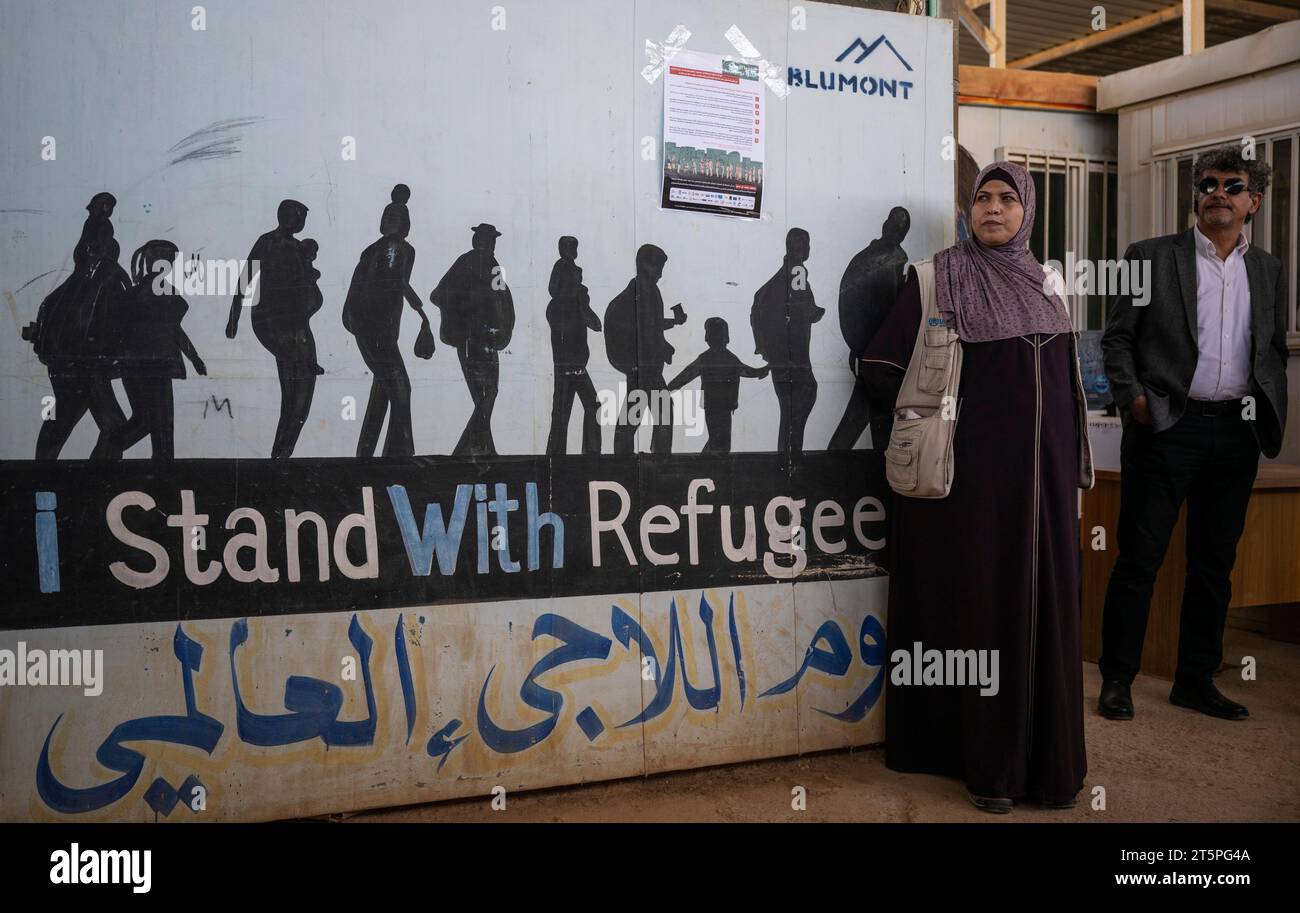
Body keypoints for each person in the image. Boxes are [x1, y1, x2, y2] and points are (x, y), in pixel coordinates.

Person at [857, 161, 1093, 813]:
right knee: (982, 608)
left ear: (1028, 212)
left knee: (1042, 611)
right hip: (965, 493)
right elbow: (879, 367)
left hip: (1042, 492)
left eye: (1007, 198)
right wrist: (939, 424)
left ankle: (1044, 768)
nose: (993, 208)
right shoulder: (937, 280)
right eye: (982, 198)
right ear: (967, 211)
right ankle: (986, 768)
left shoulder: (1049, 284)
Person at [1098, 145, 1288, 723]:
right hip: (1164, 429)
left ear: (1254, 201)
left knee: (1214, 566)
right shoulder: (1152, 256)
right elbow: (1117, 339)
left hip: (1236, 432)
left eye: (1232, 186)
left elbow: (1271, 348)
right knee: (1140, 559)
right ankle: (1118, 680)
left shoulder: (1269, 269)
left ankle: (1194, 680)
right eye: (1208, 184)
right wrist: (1133, 398)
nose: (1217, 194)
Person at [31, 216, 131, 460]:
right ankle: (97, 477)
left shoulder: (70, 285)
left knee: (63, 419)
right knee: (114, 426)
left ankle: (43, 473)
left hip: (65, 363)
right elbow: (117, 318)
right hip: (88, 364)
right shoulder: (107, 278)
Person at [226, 199, 317, 459]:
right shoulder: (268, 241)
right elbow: (247, 276)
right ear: (290, 216)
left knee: (300, 401)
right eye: (299, 217)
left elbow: (309, 291)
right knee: (293, 396)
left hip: (297, 325)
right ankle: (279, 457)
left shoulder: (299, 248)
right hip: (275, 321)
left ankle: (281, 455)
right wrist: (234, 316)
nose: (300, 223)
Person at [344, 185, 430, 457]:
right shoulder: (398, 247)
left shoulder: (373, 249)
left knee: (383, 388)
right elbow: (396, 279)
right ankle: (398, 453)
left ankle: (366, 455)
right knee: (401, 387)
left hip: (371, 324)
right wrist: (420, 309)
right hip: (377, 326)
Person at [110, 240, 207, 459]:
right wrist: (194, 358)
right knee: (159, 426)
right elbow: (174, 329)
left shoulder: (143, 292)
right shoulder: (159, 292)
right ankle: (110, 449)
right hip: (155, 366)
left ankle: (111, 450)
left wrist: (194, 358)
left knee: (153, 424)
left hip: (138, 366)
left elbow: (173, 329)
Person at [829, 207, 910, 450]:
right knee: (864, 418)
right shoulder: (870, 261)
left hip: (882, 355)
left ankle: (835, 463)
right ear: (885, 226)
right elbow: (853, 304)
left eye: (901, 229)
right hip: (873, 354)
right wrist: (859, 346)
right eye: (895, 227)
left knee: (870, 419)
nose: (896, 233)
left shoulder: (893, 258)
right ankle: (829, 466)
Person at [430, 223, 515, 456]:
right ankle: (465, 450)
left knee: (483, 396)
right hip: (478, 339)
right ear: (482, 241)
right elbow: (438, 295)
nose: (492, 244)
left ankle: (483, 449)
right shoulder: (483, 263)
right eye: (490, 239)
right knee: (488, 394)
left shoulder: (478, 264)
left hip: (475, 340)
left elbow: (501, 297)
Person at [604, 244, 686, 454]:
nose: (660, 273)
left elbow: (652, 325)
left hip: (647, 365)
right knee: (651, 412)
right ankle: (644, 458)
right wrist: (671, 327)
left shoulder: (649, 289)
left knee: (646, 412)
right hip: (643, 367)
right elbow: (649, 324)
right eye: (657, 267)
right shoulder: (642, 290)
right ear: (644, 265)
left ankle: (643, 456)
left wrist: (665, 343)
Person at [751, 228, 823, 454]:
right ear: (799, 247)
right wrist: (813, 311)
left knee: (789, 413)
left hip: (780, 360)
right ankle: (791, 461)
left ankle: (787, 461)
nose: (809, 248)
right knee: (802, 400)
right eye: (807, 244)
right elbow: (801, 306)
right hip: (796, 359)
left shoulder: (773, 282)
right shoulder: (797, 271)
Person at [667, 317, 768, 454]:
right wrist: (762, 371)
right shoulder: (724, 358)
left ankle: (703, 466)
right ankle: (703, 466)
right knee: (720, 441)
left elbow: (686, 375)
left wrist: (669, 388)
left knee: (719, 441)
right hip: (719, 406)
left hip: (719, 406)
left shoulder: (712, 358)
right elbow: (746, 370)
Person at [545, 236, 602, 455]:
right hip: (570, 363)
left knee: (565, 410)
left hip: (572, 362)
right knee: (569, 409)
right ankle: (570, 456)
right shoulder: (561, 304)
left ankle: (567, 455)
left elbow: (591, 320)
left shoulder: (569, 302)